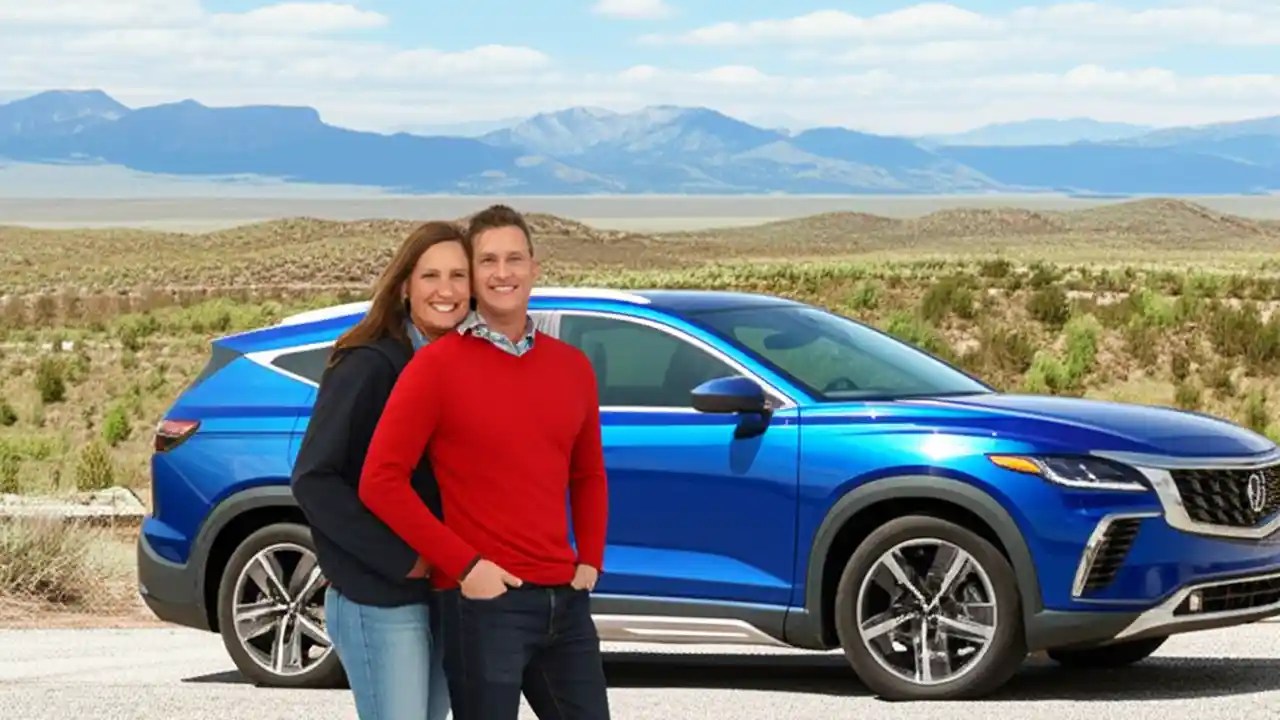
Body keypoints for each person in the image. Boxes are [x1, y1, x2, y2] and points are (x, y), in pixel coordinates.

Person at [357, 204, 611, 720]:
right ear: (473, 278)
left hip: (565, 601)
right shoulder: (436, 367)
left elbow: (587, 473)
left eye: (514, 259)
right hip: (482, 603)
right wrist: (465, 566)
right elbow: (379, 481)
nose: (502, 273)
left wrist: (590, 560)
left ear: (534, 268)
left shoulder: (572, 367)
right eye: (488, 261)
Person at [290, 220, 472, 720]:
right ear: (405, 285)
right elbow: (313, 479)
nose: (447, 290)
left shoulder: (463, 365)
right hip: (381, 596)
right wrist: (402, 558)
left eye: (459, 275)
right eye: (431, 275)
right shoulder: (369, 364)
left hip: (444, 592)